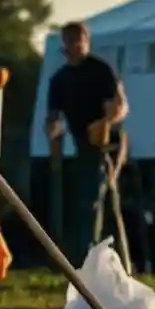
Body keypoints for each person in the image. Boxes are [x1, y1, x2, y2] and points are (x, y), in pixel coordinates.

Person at [45, 20, 128, 262]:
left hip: (108, 141)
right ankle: (116, 258)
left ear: (86, 42)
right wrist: (53, 142)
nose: (73, 45)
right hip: (82, 142)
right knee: (103, 202)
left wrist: (105, 122)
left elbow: (120, 106)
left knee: (93, 199)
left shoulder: (100, 70)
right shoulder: (59, 79)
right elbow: (53, 117)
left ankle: (91, 257)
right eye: (69, 41)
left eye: (78, 41)